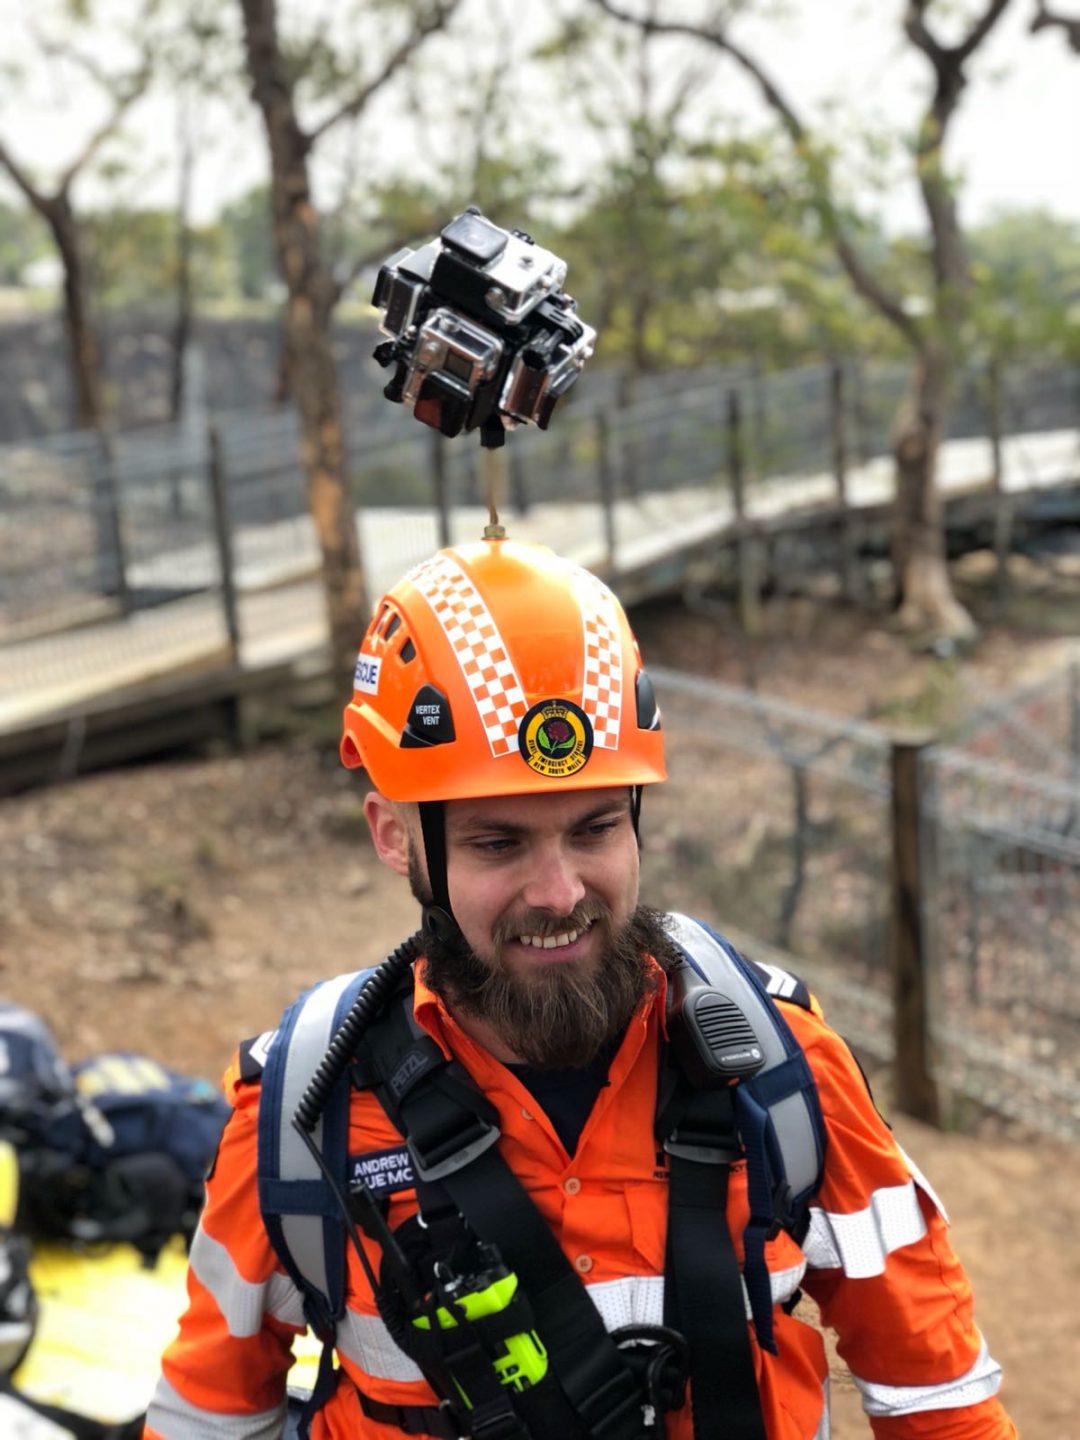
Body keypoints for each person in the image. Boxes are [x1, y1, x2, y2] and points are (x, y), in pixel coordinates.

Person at [145, 538, 1017, 1440]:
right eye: (498, 842)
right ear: (395, 837)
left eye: (596, 826)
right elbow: (202, 1419)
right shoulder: (305, 1112)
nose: (559, 893)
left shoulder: (781, 1070)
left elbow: (941, 1402)